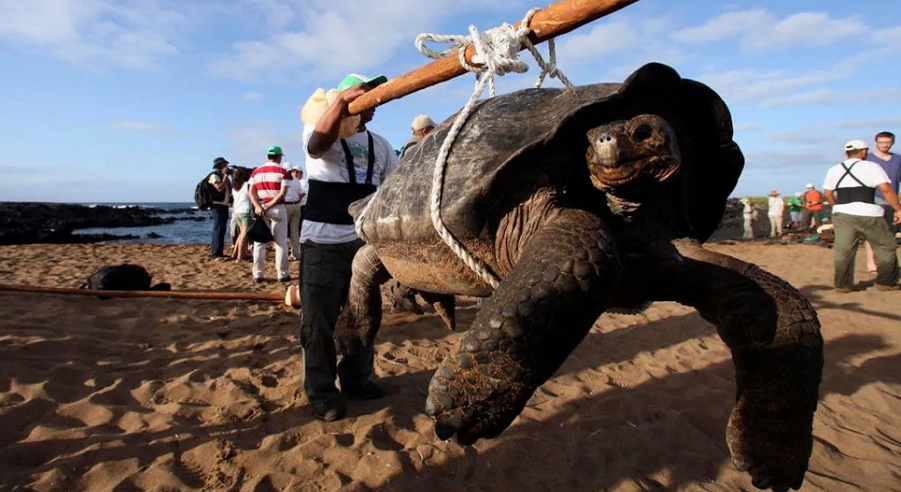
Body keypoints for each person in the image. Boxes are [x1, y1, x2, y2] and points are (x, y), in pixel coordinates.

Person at [301, 73, 398, 422]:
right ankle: (322, 392)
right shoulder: (319, 129)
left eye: (375, 100)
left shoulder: (383, 146)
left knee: (362, 317)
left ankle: (358, 379)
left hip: (362, 244)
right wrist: (341, 103)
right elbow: (316, 147)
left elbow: (390, 191)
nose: (373, 107)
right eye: (366, 99)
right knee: (319, 321)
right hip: (321, 243)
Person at [823, 139, 901, 292]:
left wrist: (836, 206)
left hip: (843, 213)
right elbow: (885, 189)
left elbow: (828, 193)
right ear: (864, 151)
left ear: (846, 153)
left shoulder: (834, 169)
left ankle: (843, 284)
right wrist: (898, 209)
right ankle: (885, 282)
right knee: (885, 246)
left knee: (843, 250)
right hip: (869, 213)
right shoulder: (872, 167)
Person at [248, 146, 291, 283]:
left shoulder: (256, 172)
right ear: (279, 157)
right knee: (280, 243)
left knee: (259, 242)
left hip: (261, 208)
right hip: (277, 207)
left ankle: (258, 274)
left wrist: (258, 206)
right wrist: (270, 204)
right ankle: (282, 274)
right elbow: (282, 193)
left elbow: (251, 192)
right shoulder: (283, 172)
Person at [864, 131, 901, 272]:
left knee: (890, 233)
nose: (885, 145)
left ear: (892, 142)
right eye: (881, 142)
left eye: (887, 142)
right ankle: (871, 262)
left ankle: (886, 263)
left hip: (892, 198)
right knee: (871, 232)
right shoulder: (868, 158)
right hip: (873, 197)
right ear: (876, 143)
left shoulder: (897, 159)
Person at [208, 157, 232, 259]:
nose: (226, 167)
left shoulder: (222, 176)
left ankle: (219, 253)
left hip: (224, 204)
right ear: (220, 166)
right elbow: (219, 188)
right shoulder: (214, 176)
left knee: (222, 229)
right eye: (224, 165)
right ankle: (215, 254)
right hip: (217, 205)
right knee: (218, 228)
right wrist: (226, 176)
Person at [283, 165, 307, 261]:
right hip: (296, 206)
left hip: (287, 205)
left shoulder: (283, 178)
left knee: (283, 231)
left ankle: (284, 253)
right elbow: (301, 193)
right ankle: (295, 253)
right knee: (294, 231)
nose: (295, 173)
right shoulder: (296, 181)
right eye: (294, 171)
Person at [230, 167, 252, 262]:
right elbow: (252, 196)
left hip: (237, 211)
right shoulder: (247, 185)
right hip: (245, 211)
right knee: (244, 234)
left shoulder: (235, 187)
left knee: (241, 234)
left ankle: (235, 253)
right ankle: (240, 256)